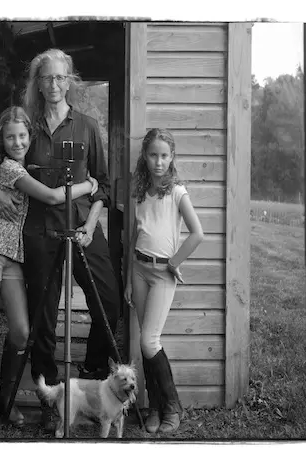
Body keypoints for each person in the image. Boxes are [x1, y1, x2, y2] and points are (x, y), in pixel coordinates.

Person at [0, 49, 121, 432]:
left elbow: (103, 186)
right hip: (39, 232)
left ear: (70, 81)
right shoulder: (25, 127)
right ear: (37, 83)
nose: (53, 85)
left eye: (60, 78)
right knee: (42, 320)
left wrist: (93, 223)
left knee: (109, 305)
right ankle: (51, 400)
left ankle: (92, 376)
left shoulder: (87, 126)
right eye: (46, 78)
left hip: (83, 229)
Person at [0, 106, 98, 432]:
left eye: (22, 135)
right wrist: (90, 185)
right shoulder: (13, 168)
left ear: (31, 137)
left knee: (21, 331)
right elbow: (56, 197)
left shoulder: (21, 166)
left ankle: (5, 402)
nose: (17, 141)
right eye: (10, 136)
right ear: (2, 139)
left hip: (13, 254)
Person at [124, 128, 204, 434]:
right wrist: (131, 280)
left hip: (162, 275)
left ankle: (172, 406)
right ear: (145, 157)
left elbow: (198, 233)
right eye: (153, 155)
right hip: (140, 270)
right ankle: (154, 408)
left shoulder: (177, 192)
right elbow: (135, 237)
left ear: (172, 158)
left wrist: (174, 262)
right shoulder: (140, 191)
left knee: (148, 341)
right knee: (146, 342)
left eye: (164, 156)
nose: (159, 162)